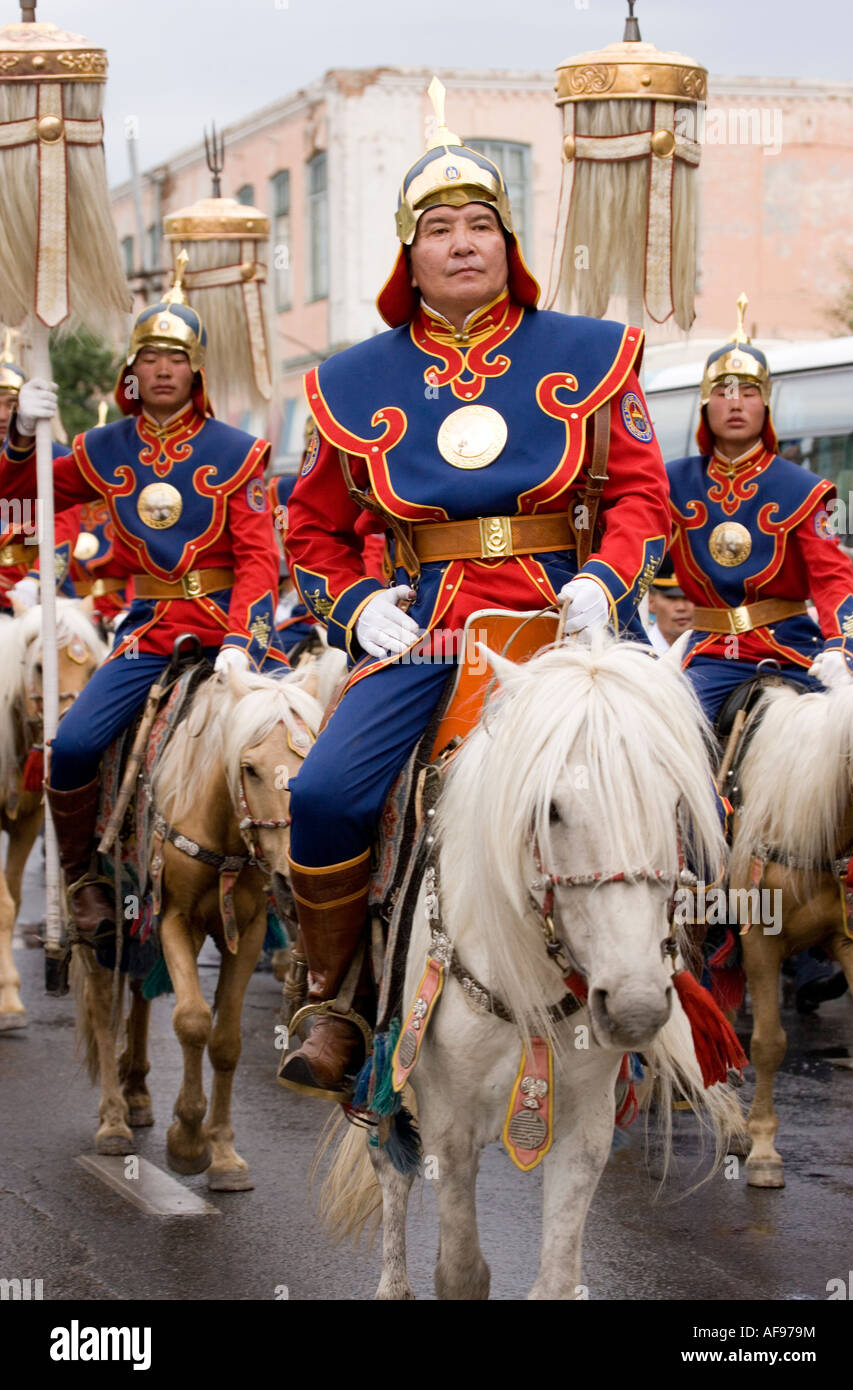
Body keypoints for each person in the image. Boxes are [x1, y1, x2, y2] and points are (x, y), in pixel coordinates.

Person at [280, 84, 672, 1101]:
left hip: (565, 623)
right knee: (321, 794)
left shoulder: (592, 354)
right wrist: (356, 606)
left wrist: (599, 579)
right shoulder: (350, 380)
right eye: (439, 229)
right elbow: (313, 531)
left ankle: (661, 1001)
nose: (462, 243)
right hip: (428, 634)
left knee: (679, 789)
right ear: (406, 259)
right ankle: (334, 997)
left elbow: (638, 495)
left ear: (509, 244)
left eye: (481, 225)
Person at [0, 259, 285, 940]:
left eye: (176, 358)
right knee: (70, 747)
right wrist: (17, 436)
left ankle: (292, 887)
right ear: (132, 369)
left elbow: (258, 560)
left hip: (228, 638)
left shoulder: (241, 452)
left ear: (197, 371)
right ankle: (85, 885)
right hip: (151, 629)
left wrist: (246, 642)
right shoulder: (103, 449)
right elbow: (16, 495)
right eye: (151, 357)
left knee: (287, 750)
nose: (163, 369)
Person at [666, 294, 853, 724]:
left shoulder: (805, 490)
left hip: (792, 648)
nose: (735, 403)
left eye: (748, 392)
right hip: (708, 654)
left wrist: (845, 647)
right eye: (723, 391)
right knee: (662, 740)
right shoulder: (670, 483)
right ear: (705, 403)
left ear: (765, 404)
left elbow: (833, 578)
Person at [0, 330, 87, 614]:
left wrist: (36, 580)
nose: (3, 415)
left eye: (12, 404)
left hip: (36, 596)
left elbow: (61, 529)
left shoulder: (54, 456)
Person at [645, 554, 694, 655]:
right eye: (671, 598)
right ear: (651, 602)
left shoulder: (714, 653)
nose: (681, 607)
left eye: (688, 597)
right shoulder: (638, 653)